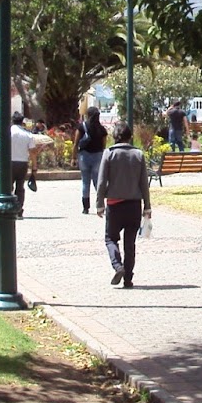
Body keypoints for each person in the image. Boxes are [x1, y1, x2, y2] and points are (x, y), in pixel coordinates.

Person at [95, 122, 152, 288]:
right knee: (130, 243)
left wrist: (99, 204)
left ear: (115, 137)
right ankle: (128, 278)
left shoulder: (109, 154)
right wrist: (147, 206)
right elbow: (144, 183)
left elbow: (101, 181)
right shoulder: (138, 154)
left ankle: (117, 265)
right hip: (134, 204)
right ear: (130, 137)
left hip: (114, 204)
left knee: (110, 238)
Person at [8, 112, 52, 218]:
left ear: (12, 120)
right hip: (22, 163)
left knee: (7, 187)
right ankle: (18, 209)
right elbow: (32, 153)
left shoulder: (7, 133)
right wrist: (34, 167)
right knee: (20, 187)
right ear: (22, 122)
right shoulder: (27, 134)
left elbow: (0, 149)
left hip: (9, 163)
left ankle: (8, 207)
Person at [76, 105, 109, 215]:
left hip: (84, 155)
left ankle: (86, 207)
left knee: (85, 182)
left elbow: (76, 143)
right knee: (97, 181)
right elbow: (104, 145)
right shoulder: (102, 129)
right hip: (98, 156)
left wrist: (73, 157)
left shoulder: (82, 126)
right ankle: (100, 203)